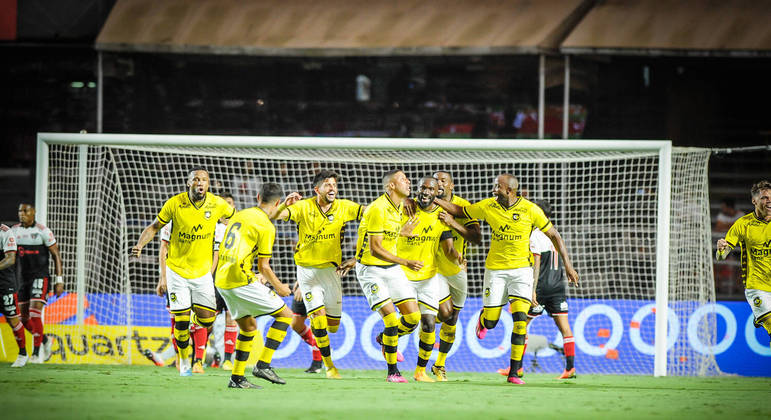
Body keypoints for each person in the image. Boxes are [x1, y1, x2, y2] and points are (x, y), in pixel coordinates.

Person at [435, 174, 579, 385]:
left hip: (521, 271)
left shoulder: (530, 210)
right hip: (495, 271)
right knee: (492, 322)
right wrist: (433, 200)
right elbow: (460, 211)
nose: (494, 190)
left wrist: (568, 265)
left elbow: (555, 235)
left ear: (509, 190)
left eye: (497, 187)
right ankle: (484, 320)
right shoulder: (488, 206)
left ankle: (514, 372)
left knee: (520, 320)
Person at [131, 168, 236, 377]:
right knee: (180, 320)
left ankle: (193, 343)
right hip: (177, 271)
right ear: (189, 183)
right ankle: (184, 360)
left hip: (203, 273)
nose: (201, 183)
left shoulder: (217, 203)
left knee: (207, 319)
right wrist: (140, 244)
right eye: (196, 179)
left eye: (205, 180)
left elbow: (234, 219)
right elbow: (154, 227)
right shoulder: (174, 203)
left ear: (208, 184)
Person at [274, 169, 363, 379]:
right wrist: (283, 206)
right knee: (318, 319)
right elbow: (275, 216)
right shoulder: (303, 206)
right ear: (317, 189)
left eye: (334, 184)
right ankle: (330, 366)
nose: (332, 188)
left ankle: (324, 357)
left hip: (332, 273)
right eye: (327, 185)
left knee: (332, 327)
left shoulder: (345, 207)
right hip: (307, 272)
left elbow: (371, 214)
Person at [215, 182, 295, 389]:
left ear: (258, 197)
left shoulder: (242, 214)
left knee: (249, 326)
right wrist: (280, 287)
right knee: (286, 315)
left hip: (222, 279)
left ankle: (237, 377)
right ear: (277, 202)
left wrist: (283, 206)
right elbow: (265, 267)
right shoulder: (266, 226)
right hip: (240, 278)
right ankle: (263, 365)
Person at [354, 169, 423, 383]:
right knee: (392, 319)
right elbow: (375, 248)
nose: (408, 181)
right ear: (391, 186)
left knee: (413, 318)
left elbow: (385, 235)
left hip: (391, 269)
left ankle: (384, 338)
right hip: (372, 269)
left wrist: (401, 232)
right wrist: (406, 262)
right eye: (403, 179)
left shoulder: (399, 206)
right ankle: (393, 372)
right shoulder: (377, 208)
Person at [497, 200, 576, 379]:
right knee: (565, 329)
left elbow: (537, 263)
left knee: (521, 325)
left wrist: (532, 290)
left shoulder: (536, 235)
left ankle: (517, 368)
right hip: (557, 287)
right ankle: (570, 368)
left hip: (540, 289)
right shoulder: (555, 233)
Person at [396, 176, 461, 382]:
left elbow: (448, 248)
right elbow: (386, 236)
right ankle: (388, 339)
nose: (425, 192)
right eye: (422, 188)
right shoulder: (403, 209)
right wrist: (401, 232)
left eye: (430, 189)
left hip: (429, 276)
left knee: (429, 323)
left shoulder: (441, 218)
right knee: (411, 320)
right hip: (403, 274)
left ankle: (420, 371)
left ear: (437, 193)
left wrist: (456, 257)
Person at [430, 171, 481, 381]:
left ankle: (440, 364)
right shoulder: (425, 205)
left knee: (451, 318)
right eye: (436, 181)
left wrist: (453, 223)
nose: (439, 184)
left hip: (458, 269)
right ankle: (412, 323)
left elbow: (477, 238)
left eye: (443, 181)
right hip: (433, 269)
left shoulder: (464, 207)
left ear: (452, 185)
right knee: (443, 311)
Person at [716, 180, 771, 350]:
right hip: (756, 285)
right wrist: (721, 250)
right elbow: (722, 255)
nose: (769, 201)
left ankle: (760, 316)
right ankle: (762, 315)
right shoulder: (743, 224)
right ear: (754, 201)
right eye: (764, 198)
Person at [13, 203, 64, 363]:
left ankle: (35, 354)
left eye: (25, 211)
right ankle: (45, 340)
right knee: (22, 319)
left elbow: (56, 255)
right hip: (22, 279)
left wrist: (59, 280)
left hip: (40, 277)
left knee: (35, 314)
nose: (22, 214)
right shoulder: (14, 231)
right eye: (20, 211)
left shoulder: (43, 231)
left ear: (33, 212)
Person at [1, 224, 27, 367]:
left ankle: (23, 354)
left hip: (5, 285)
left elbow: (10, 259)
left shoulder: (5, 232)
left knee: (13, 320)